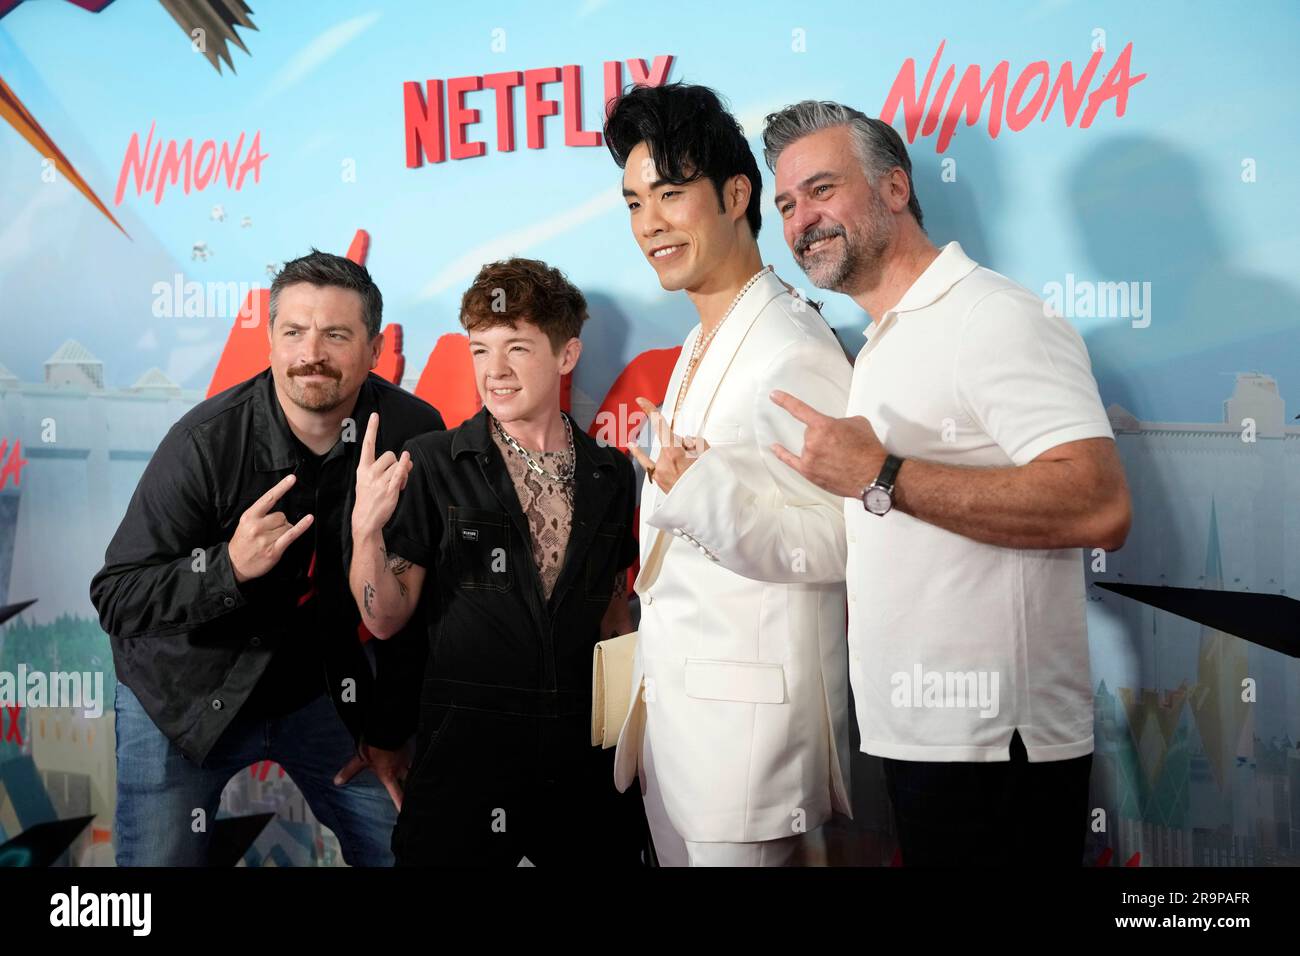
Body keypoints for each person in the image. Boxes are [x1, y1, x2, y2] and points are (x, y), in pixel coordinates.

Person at [762, 100, 1132, 866]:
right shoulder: (881, 342)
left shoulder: (991, 316)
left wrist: (882, 473)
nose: (802, 220)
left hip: (999, 752)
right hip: (917, 738)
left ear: (896, 188)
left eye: (822, 190)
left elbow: (1100, 504)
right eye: (787, 204)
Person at [91, 249, 444, 866]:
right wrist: (224, 568)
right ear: (272, 343)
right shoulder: (206, 442)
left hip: (315, 691)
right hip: (184, 696)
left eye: (336, 334)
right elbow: (117, 595)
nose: (312, 352)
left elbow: (423, 601)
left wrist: (389, 732)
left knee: (405, 848)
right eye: (294, 332)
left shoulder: (411, 429)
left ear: (373, 349)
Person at [604, 82, 853, 867]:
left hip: (748, 745)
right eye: (635, 203)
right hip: (677, 733)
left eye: (671, 195)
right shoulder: (700, 340)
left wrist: (702, 496)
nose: (650, 225)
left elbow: (845, 542)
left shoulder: (792, 347)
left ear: (737, 194)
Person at [350, 256, 647, 866]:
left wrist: (636, 740)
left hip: (582, 777)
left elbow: (614, 619)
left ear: (566, 355)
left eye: (517, 347)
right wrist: (365, 534)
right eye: (480, 350)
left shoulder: (612, 474)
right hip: (463, 770)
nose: (496, 371)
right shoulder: (433, 462)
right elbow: (385, 617)